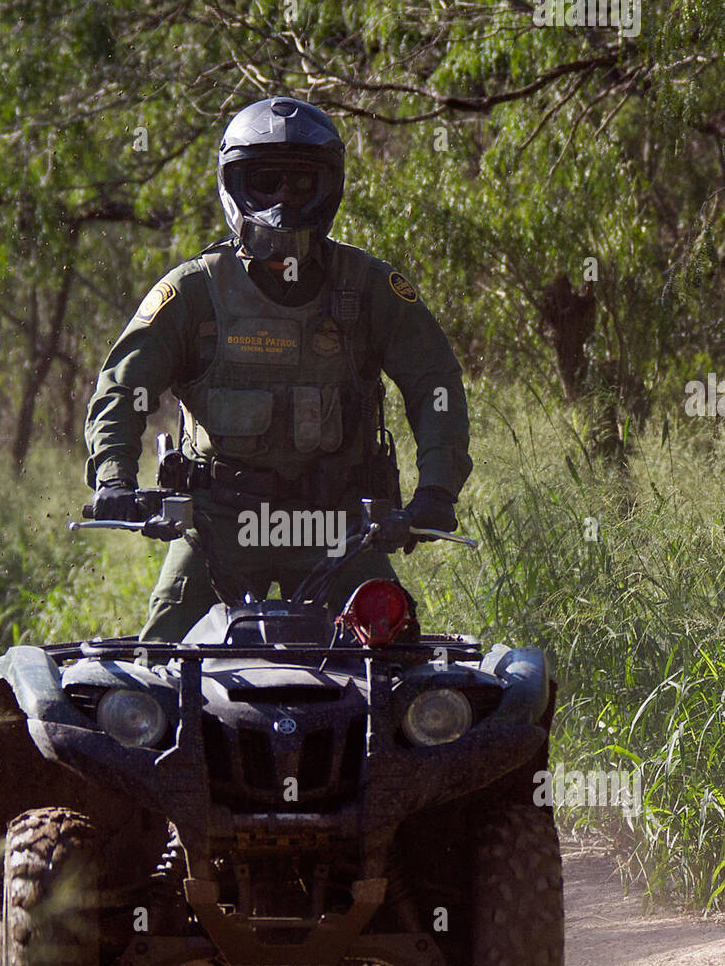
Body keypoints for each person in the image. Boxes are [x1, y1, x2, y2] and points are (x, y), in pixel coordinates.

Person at [84, 95, 473, 640]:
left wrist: (436, 493)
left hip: (335, 524)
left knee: (395, 665)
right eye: (266, 181)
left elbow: (435, 384)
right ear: (233, 184)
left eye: (300, 183)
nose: (283, 200)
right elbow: (123, 387)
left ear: (328, 186)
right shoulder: (193, 292)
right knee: (164, 665)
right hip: (219, 525)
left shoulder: (368, 287)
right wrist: (114, 477)